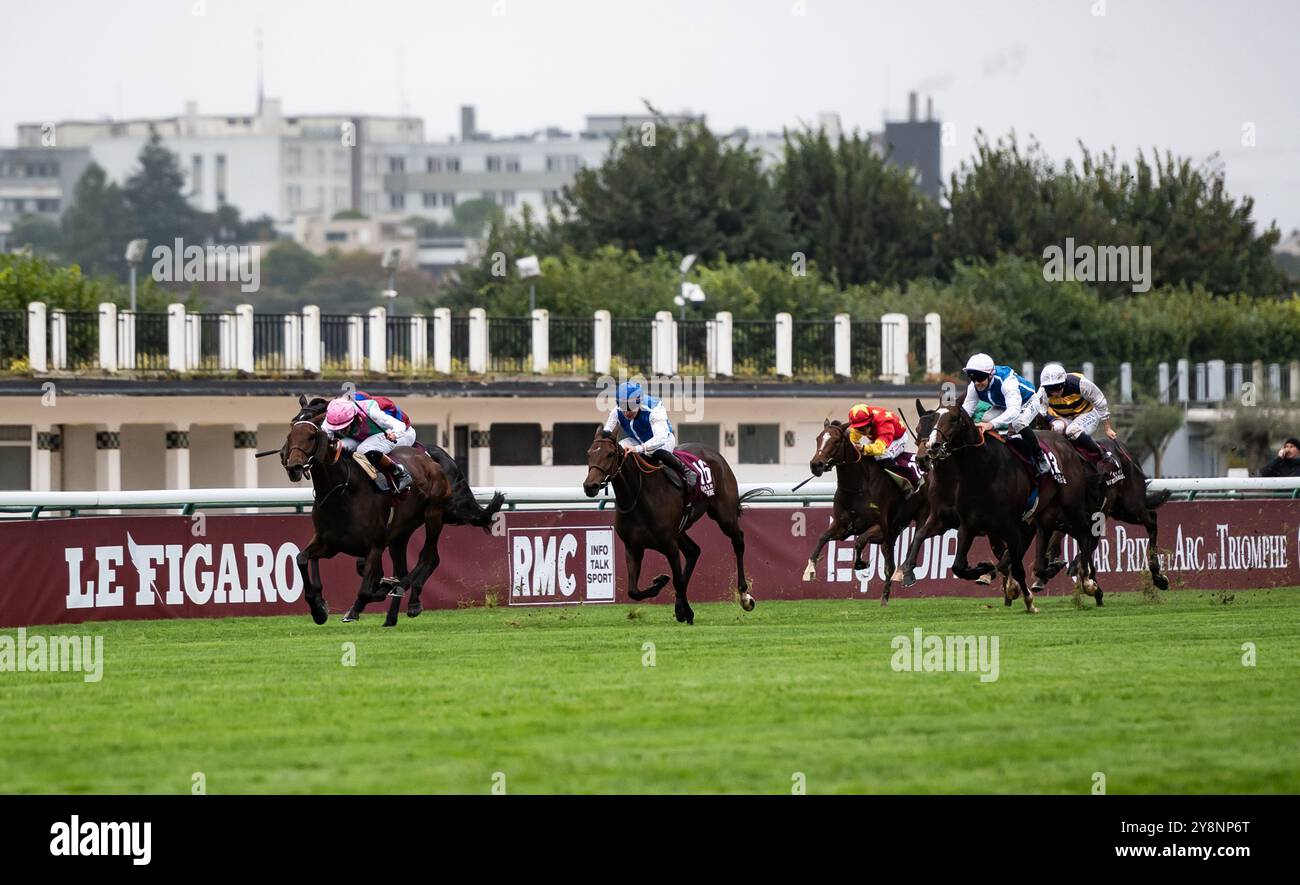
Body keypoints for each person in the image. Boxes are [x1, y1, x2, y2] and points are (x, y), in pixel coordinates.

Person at [1021, 363, 1119, 472]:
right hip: (1063, 417)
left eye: (1057, 387)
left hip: (1087, 414)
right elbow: (1041, 411)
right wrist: (1049, 421)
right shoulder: (1043, 391)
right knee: (1057, 428)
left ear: (1064, 382)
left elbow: (1100, 401)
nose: (1055, 392)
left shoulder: (1080, 384)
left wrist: (1107, 427)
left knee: (1072, 430)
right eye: (1050, 389)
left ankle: (1102, 454)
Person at [603, 381, 697, 491]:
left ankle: (686, 471)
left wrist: (638, 448)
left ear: (638, 403)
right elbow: (606, 432)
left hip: (662, 441)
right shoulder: (617, 411)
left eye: (630, 409)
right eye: (623, 408)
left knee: (655, 452)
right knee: (618, 449)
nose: (626, 413)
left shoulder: (654, 409)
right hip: (637, 440)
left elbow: (660, 438)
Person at [960, 353, 1045, 473]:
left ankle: (1040, 456)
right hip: (1003, 404)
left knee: (1017, 423)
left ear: (991, 375)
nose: (977, 383)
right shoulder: (973, 386)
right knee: (983, 420)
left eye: (980, 378)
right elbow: (967, 411)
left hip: (1028, 401)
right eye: (972, 378)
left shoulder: (1007, 382)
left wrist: (991, 425)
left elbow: (1013, 411)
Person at [321, 394, 415, 492]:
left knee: (363, 449)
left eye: (344, 428)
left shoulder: (371, 411)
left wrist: (395, 434)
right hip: (365, 436)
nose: (341, 432)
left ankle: (400, 473)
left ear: (355, 418)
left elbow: (400, 425)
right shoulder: (332, 417)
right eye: (338, 429)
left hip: (403, 433)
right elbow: (327, 436)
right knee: (339, 447)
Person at [847, 402, 920, 493]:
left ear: (870, 422)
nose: (860, 431)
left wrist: (862, 448)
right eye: (858, 428)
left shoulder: (884, 423)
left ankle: (905, 482)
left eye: (862, 428)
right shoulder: (859, 422)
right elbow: (852, 439)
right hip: (878, 436)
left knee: (882, 456)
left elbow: (879, 449)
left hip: (897, 438)